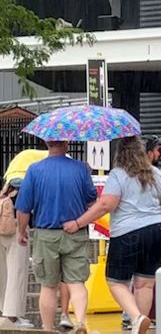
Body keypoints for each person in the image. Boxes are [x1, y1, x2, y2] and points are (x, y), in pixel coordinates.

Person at [69, 137, 161, 334]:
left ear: (120, 154)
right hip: (157, 230)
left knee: (115, 282)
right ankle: (139, 325)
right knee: (145, 284)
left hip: (127, 232)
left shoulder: (118, 174)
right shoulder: (155, 173)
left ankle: (136, 317)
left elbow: (106, 205)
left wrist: (78, 223)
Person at [14, 139, 97, 334]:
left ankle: (48, 329)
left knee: (48, 286)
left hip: (46, 235)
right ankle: (80, 323)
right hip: (75, 232)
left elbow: (23, 208)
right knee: (77, 283)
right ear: (66, 143)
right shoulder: (80, 169)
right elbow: (92, 200)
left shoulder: (34, 170)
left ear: (46, 143)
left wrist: (21, 231)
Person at [0, 176, 33, 328]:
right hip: (16, 230)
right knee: (17, 272)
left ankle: (2, 310)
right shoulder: (29, 177)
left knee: (3, 273)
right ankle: (12, 315)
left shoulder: (8, 180)